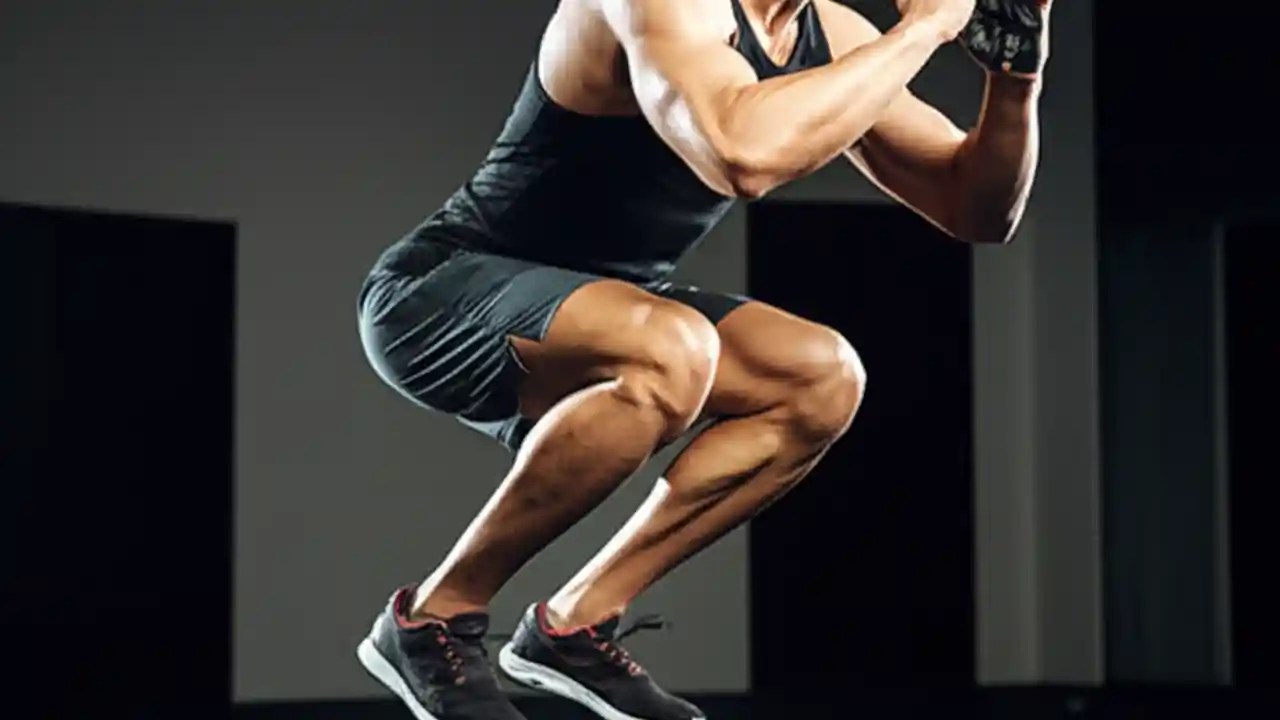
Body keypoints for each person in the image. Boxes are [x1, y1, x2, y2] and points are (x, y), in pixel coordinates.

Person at [355, 0, 1052, 717]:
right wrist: (923, 30)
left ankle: (574, 627)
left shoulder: (832, 33)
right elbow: (740, 155)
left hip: (619, 307)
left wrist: (1015, 78)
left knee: (820, 376)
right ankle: (431, 618)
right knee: (673, 348)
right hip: (439, 293)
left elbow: (978, 209)